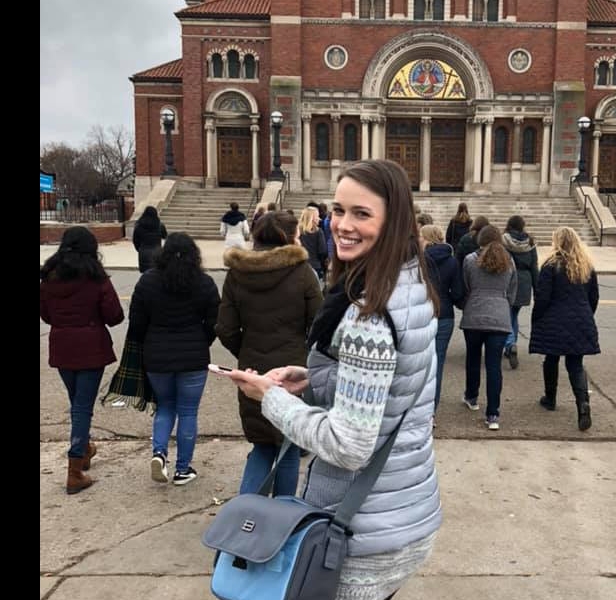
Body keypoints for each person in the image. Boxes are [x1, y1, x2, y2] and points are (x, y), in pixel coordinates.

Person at [218, 159, 442, 600]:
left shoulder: (369, 316)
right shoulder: (411, 286)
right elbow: (393, 387)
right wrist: (315, 381)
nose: (343, 225)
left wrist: (272, 400)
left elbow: (349, 445)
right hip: (405, 510)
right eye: (338, 210)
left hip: (360, 528)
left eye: (362, 214)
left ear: (393, 220)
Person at [216, 211, 323, 495]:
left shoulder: (237, 274)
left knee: (262, 444)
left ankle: (247, 513)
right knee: (287, 444)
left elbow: (226, 328)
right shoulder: (302, 273)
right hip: (293, 370)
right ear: (289, 238)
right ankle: (282, 518)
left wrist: (247, 351)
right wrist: (302, 353)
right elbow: (319, 323)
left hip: (253, 371)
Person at [127, 233, 221, 484]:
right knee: (188, 411)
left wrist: (148, 341)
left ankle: (159, 452)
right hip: (193, 355)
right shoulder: (204, 283)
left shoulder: (148, 281)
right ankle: (183, 468)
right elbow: (215, 322)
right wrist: (202, 340)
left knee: (165, 406)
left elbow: (136, 321)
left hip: (157, 355)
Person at [40, 226, 125, 494]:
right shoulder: (96, 278)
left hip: (62, 347)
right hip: (91, 347)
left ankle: (85, 449)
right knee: (82, 407)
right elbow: (115, 316)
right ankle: (74, 469)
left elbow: (46, 315)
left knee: (77, 401)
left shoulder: (49, 278)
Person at [528, 226, 599, 431]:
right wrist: (586, 314)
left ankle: (550, 398)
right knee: (575, 364)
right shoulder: (586, 266)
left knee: (551, 359)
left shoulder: (551, 265)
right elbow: (593, 296)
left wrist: (537, 318)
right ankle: (583, 403)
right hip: (581, 319)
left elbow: (543, 297)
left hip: (554, 319)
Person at [459, 225, 517, 430]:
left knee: (473, 358)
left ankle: (471, 396)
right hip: (499, 315)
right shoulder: (509, 261)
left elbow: (465, 286)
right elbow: (512, 291)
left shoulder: (469, 260)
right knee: (494, 366)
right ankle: (493, 413)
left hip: (474, 313)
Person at [420, 224, 464, 417]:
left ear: (427, 239)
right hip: (444, 314)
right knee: (437, 363)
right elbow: (457, 292)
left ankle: (418, 409)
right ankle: (431, 412)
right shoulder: (452, 261)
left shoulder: (419, 260)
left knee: (417, 363)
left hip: (421, 312)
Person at [501, 215, 539, 369]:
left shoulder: (504, 240)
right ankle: (512, 343)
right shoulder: (530, 242)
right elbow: (534, 267)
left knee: (507, 314)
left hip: (509, 277)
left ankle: (510, 344)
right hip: (524, 280)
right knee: (514, 314)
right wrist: (537, 289)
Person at [298, 206, 328, 289]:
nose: (320, 219)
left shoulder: (297, 231)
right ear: (312, 218)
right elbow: (322, 251)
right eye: (317, 216)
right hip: (315, 266)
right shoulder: (318, 232)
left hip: (299, 266)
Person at [133, 206, 167, 273]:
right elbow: (165, 236)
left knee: (145, 273)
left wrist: (139, 249)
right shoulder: (160, 225)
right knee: (157, 272)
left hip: (143, 252)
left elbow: (135, 240)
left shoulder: (139, 225)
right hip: (156, 252)